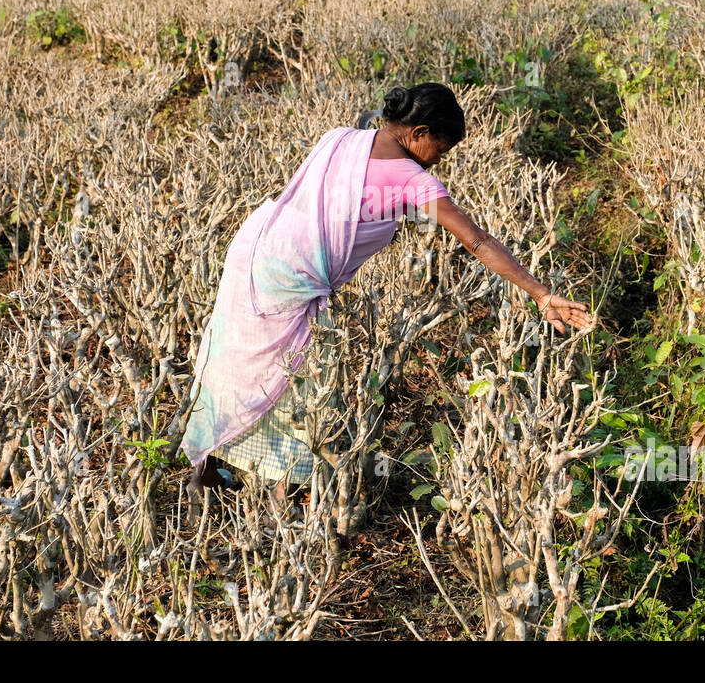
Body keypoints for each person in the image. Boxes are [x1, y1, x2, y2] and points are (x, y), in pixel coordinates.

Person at [180, 82, 593, 499]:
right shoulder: (409, 177)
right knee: (296, 381)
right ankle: (277, 498)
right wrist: (540, 293)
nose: (438, 161)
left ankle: (207, 470)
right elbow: (478, 242)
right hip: (288, 278)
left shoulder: (339, 137)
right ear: (421, 133)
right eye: (441, 150)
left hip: (255, 247)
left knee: (232, 360)